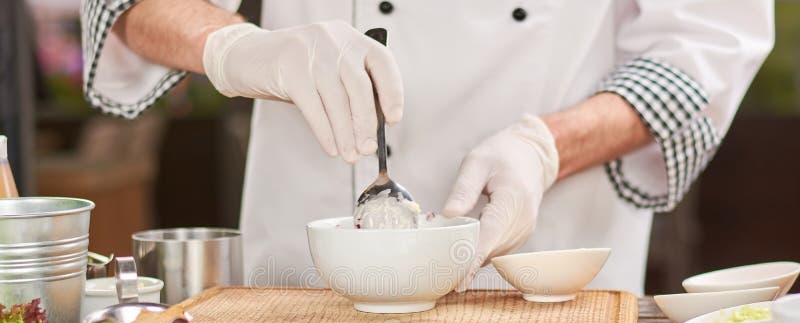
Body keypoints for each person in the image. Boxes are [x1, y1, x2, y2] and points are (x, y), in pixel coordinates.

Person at [80, 0, 773, 294]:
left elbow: (704, 49)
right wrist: (240, 47)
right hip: (306, 285)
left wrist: (547, 148)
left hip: (539, 275)